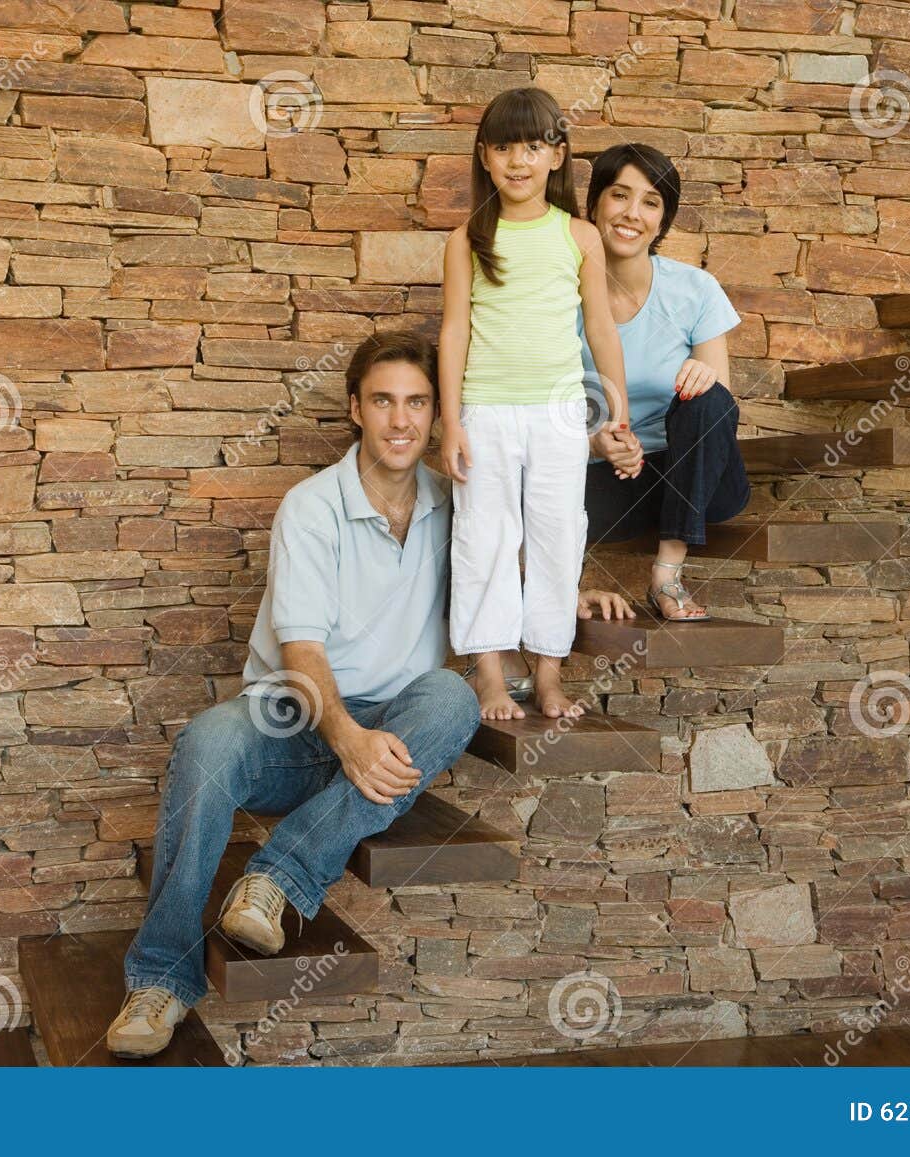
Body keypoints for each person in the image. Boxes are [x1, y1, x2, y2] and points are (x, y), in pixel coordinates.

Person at [108, 331, 481, 1059]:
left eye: (417, 402)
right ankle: (159, 977)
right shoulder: (311, 507)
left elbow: (515, 572)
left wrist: (582, 591)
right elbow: (301, 651)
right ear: (355, 409)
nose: (400, 420)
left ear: (438, 414)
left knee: (452, 699)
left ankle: (275, 879)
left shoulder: (456, 504)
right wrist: (346, 737)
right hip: (296, 721)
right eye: (383, 401)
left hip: (394, 721)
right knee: (207, 741)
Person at [439, 86, 633, 724]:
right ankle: (491, 675)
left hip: (556, 415)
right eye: (503, 146)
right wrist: (449, 422)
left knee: (556, 535)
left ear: (557, 155)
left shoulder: (578, 235)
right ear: (484, 157)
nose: (518, 159)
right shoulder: (468, 237)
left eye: (533, 145)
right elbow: (455, 331)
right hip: (486, 411)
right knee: (483, 538)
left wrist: (618, 408)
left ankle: (548, 673)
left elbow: (600, 328)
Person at [578, 143, 751, 620]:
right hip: (614, 482)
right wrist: (597, 444)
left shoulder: (694, 290)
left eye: (651, 202)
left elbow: (719, 412)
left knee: (707, 396)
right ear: (594, 204)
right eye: (619, 195)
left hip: (698, 481)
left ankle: (668, 575)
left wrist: (704, 374)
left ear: (663, 220)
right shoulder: (559, 298)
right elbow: (548, 412)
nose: (632, 214)